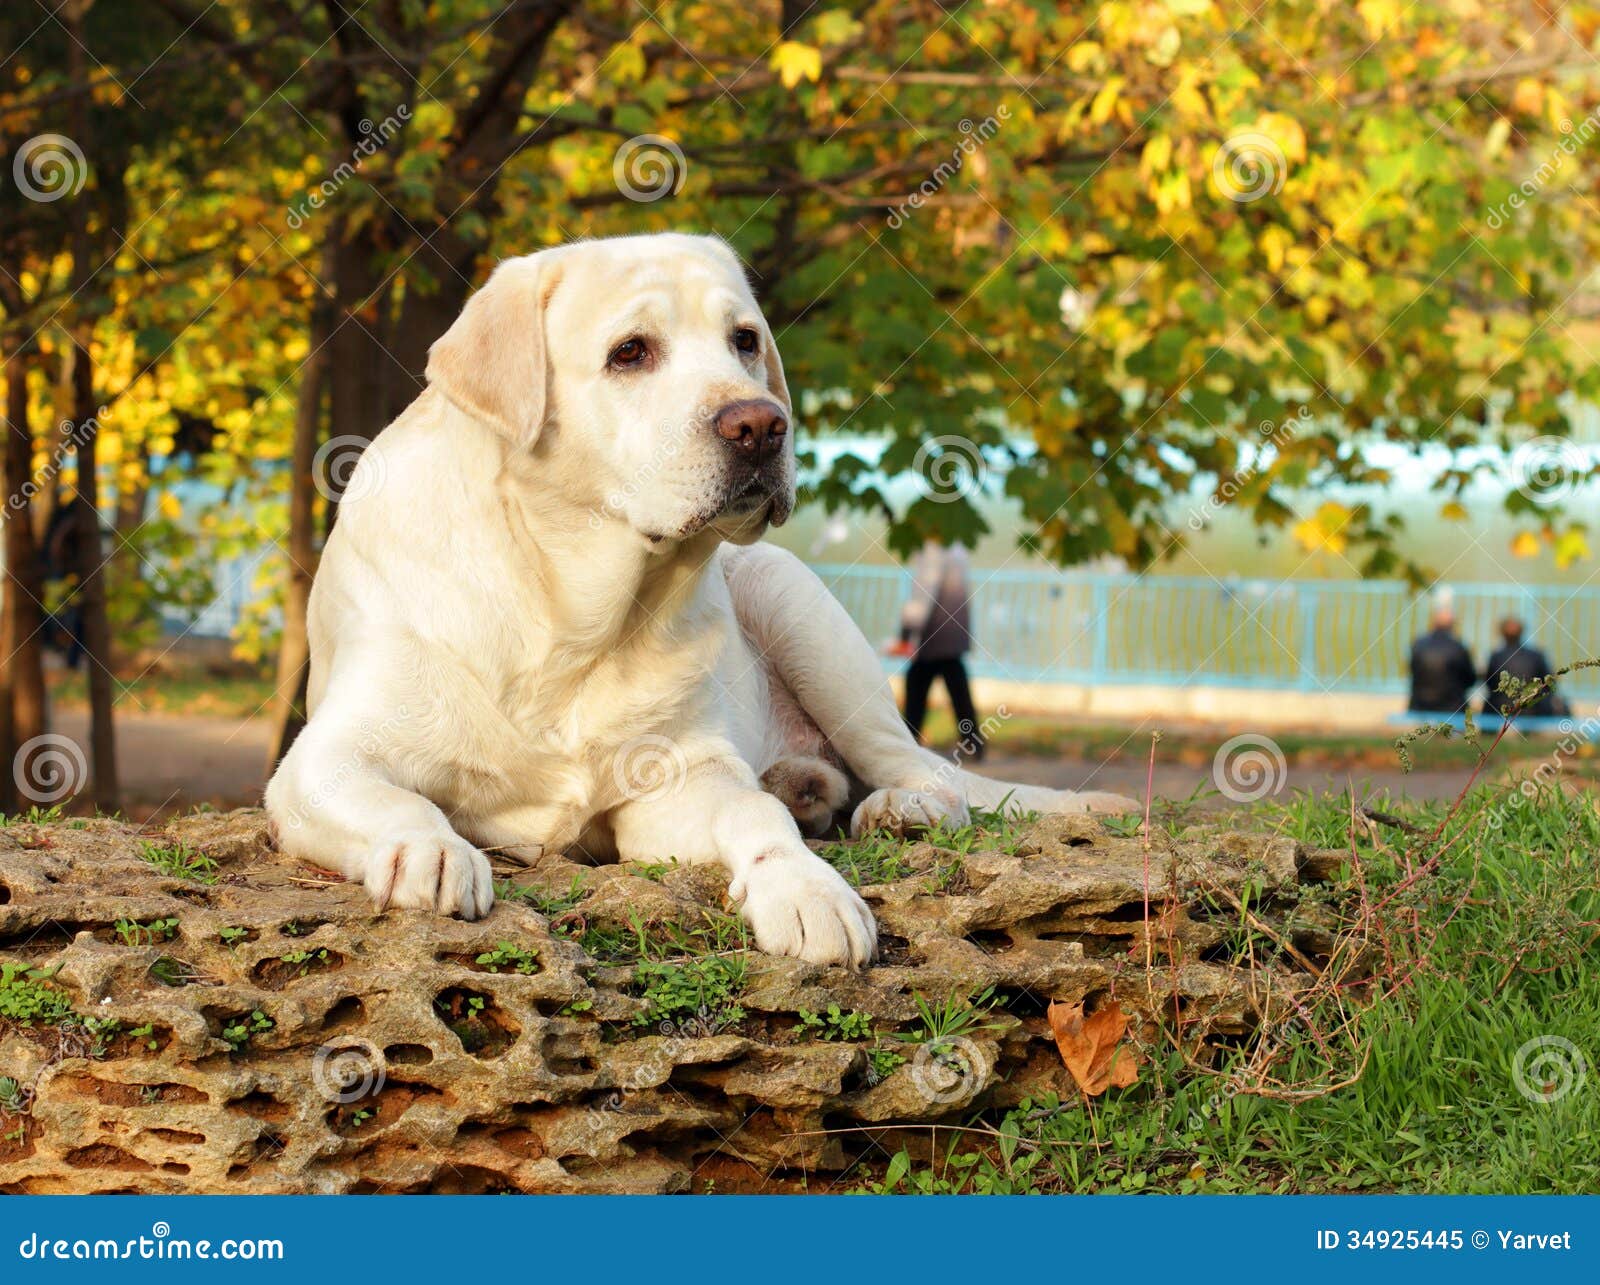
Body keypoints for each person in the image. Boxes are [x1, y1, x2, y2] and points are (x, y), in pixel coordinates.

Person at [897, 539, 984, 760]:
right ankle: (973, 741)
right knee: (958, 691)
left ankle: (908, 744)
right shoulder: (957, 547)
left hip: (934, 633)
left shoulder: (932, 551)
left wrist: (907, 631)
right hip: (953, 631)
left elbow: (923, 595)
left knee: (917, 685)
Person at [1483, 617, 1568, 718]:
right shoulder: (1536, 655)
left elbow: (1489, 684)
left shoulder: (1495, 657)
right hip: (1532, 712)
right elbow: (1550, 684)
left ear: (1502, 633)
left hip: (1500, 712)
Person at [1408, 603, 1476, 714]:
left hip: (1420, 704)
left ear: (1434, 623)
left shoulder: (1418, 644)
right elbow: (1470, 679)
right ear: (1452, 625)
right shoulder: (1458, 647)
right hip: (1452, 706)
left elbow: (1413, 671)